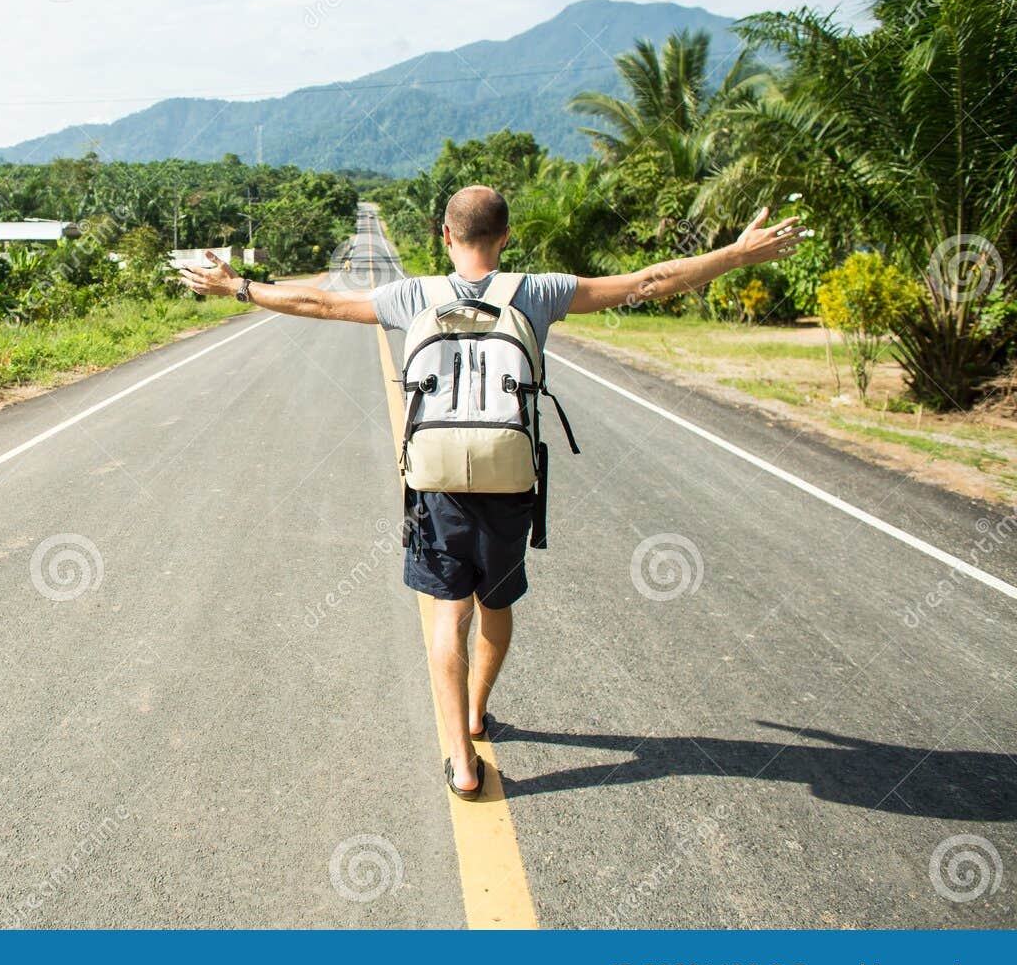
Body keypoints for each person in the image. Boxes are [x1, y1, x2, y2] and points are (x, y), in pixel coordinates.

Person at [178, 186, 808, 798]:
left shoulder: (412, 296)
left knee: (447, 616)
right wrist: (735, 254)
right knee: (495, 604)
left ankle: (461, 759)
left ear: (445, 236)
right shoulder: (537, 292)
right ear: (506, 238)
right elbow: (647, 282)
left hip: (436, 484)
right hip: (511, 480)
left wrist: (238, 286)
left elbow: (317, 304)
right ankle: (480, 709)